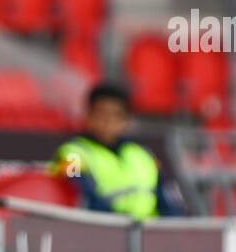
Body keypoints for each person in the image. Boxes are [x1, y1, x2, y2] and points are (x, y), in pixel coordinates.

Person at [54, 82, 181, 218]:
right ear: (88, 116)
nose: (108, 122)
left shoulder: (145, 156)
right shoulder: (73, 155)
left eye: (116, 115)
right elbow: (82, 197)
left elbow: (168, 201)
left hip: (148, 233)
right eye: (102, 114)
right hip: (102, 230)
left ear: (126, 121)